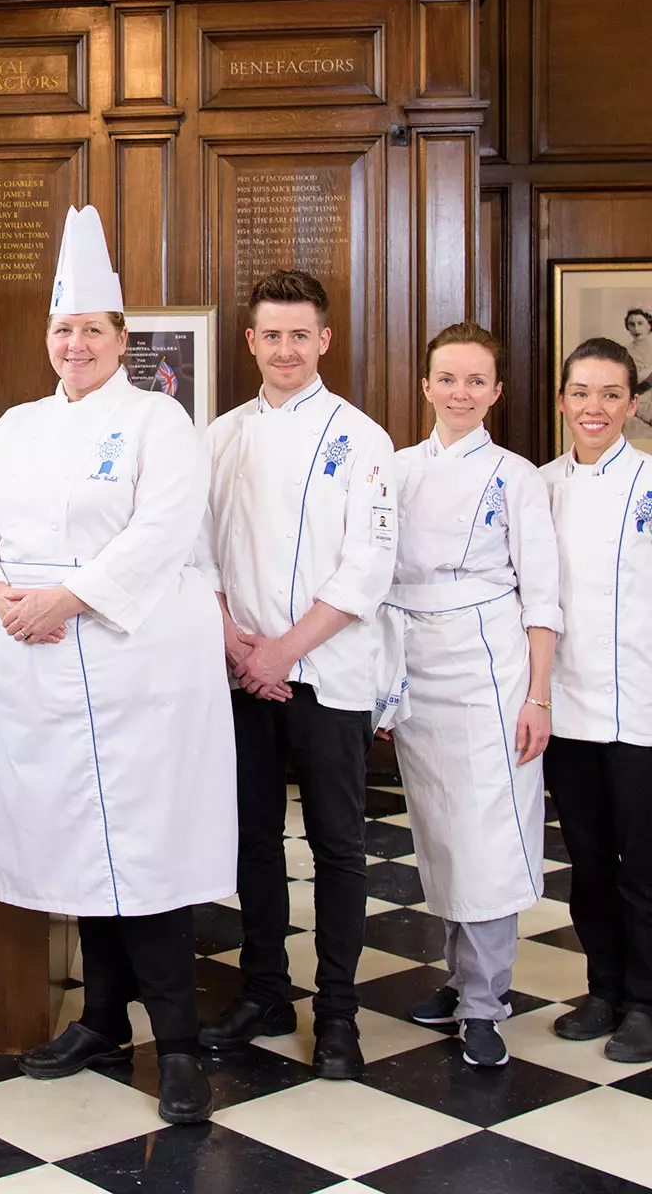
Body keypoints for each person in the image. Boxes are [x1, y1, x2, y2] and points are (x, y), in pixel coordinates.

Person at [0, 206, 234, 1127]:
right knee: (78, 844)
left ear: (121, 339)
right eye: (63, 329)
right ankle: (103, 1022)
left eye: (93, 330)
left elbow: (163, 533)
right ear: (49, 339)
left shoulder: (160, 422)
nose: (76, 344)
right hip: (35, 660)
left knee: (143, 852)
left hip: (135, 664)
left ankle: (180, 1046)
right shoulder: (15, 427)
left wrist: (66, 601)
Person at [195, 269, 397, 1080]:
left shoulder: (365, 438)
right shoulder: (220, 436)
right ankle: (266, 990)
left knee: (339, 845)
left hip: (329, 669)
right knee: (253, 838)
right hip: (240, 670)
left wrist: (286, 650)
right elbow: (195, 551)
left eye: (299, 334)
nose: (285, 349)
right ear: (251, 342)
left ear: (325, 339)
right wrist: (237, 644)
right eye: (270, 335)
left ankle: (339, 1012)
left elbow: (367, 565)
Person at [385, 323, 560, 1068]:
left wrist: (539, 696)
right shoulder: (392, 470)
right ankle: (460, 981)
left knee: (488, 831)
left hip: (492, 663)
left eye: (475, 381)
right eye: (447, 379)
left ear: (496, 391)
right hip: (414, 657)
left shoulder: (517, 476)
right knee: (441, 830)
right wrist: (386, 686)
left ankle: (488, 1002)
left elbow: (544, 594)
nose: (460, 393)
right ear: (426, 386)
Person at [540, 337, 652, 1064]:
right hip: (568, 706)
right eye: (582, 392)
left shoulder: (649, 482)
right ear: (561, 400)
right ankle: (603, 988)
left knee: (643, 868)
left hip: (643, 709)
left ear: (633, 406)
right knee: (586, 860)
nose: (595, 407)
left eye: (611, 394)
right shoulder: (538, 486)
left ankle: (644, 1002)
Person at [624, 308, 652, 443]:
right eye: (632, 324)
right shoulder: (625, 352)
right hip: (639, 402)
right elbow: (632, 380)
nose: (636, 329)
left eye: (640, 323)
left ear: (649, 325)